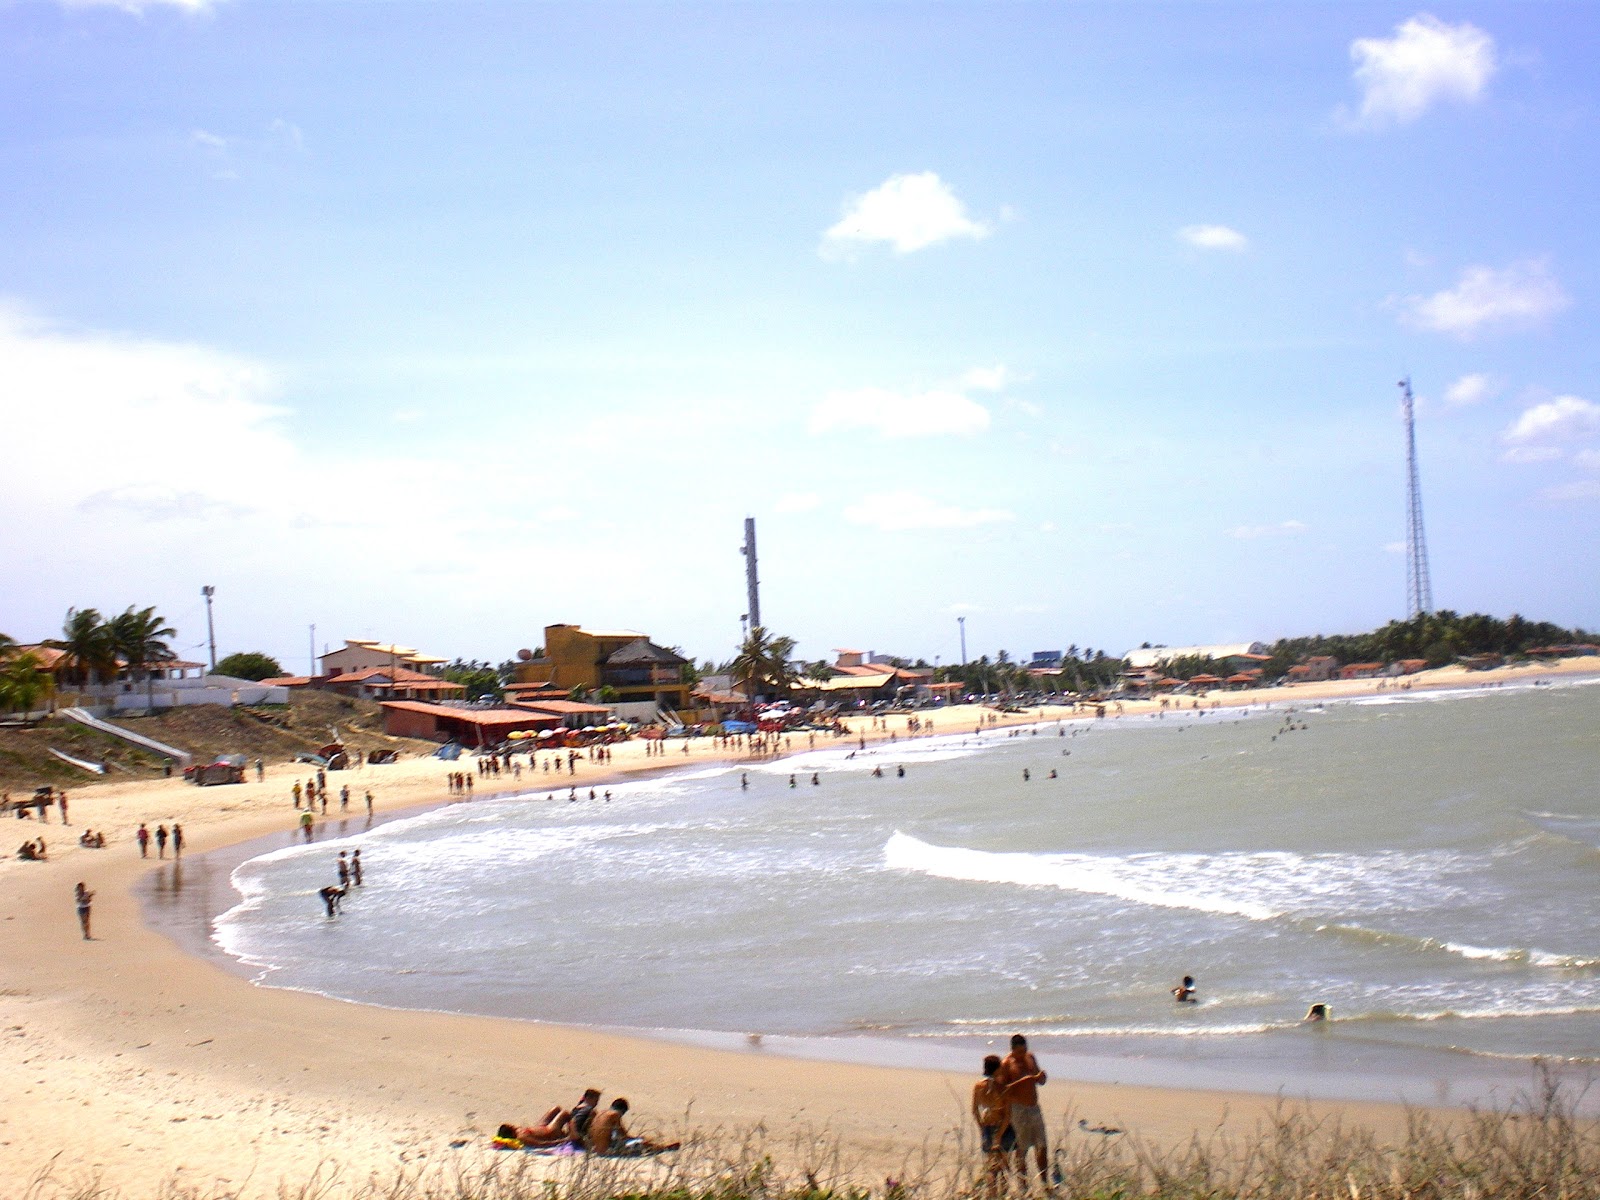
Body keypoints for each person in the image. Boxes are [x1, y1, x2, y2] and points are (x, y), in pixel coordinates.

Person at [995, 1034, 1048, 1187]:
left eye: (1024, 1051)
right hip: (1018, 1109)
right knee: (1022, 1148)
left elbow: (1039, 1079)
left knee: (1042, 1145)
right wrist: (1022, 1081)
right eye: (1019, 1052)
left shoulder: (1030, 1057)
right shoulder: (1006, 1064)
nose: (1022, 1055)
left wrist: (1041, 1078)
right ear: (1012, 1050)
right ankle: (1023, 1183)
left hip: (1034, 1107)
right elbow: (1001, 1091)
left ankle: (1044, 1181)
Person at [971, 1054, 1015, 1194]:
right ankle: (1003, 1194)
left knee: (991, 1167)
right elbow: (1007, 1115)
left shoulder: (978, 1086)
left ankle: (992, 1194)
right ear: (997, 1069)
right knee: (1004, 1166)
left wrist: (981, 1127)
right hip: (1003, 1128)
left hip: (987, 1127)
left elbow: (975, 1110)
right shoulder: (1003, 1088)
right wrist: (999, 1135)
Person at [584, 1097, 678, 1156]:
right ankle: (664, 1148)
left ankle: (659, 1146)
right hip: (606, 1151)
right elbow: (622, 1135)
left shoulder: (601, 1113)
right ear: (622, 1111)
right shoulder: (614, 1115)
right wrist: (637, 1139)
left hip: (595, 1149)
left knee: (640, 1140)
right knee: (642, 1143)